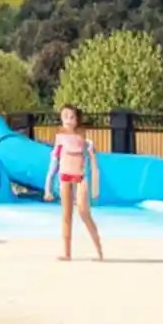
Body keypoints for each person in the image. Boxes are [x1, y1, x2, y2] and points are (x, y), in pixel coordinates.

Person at [44, 104, 104, 261]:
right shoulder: (59, 139)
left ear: (77, 120)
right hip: (65, 177)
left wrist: (95, 189)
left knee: (84, 212)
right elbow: (53, 164)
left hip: (80, 178)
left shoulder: (84, 140)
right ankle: (67, 253)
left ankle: (99, 249)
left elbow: (94, 166)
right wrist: (48, 188)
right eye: (65, 117)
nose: (68, 120)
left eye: (72, 117)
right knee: (66, 215)